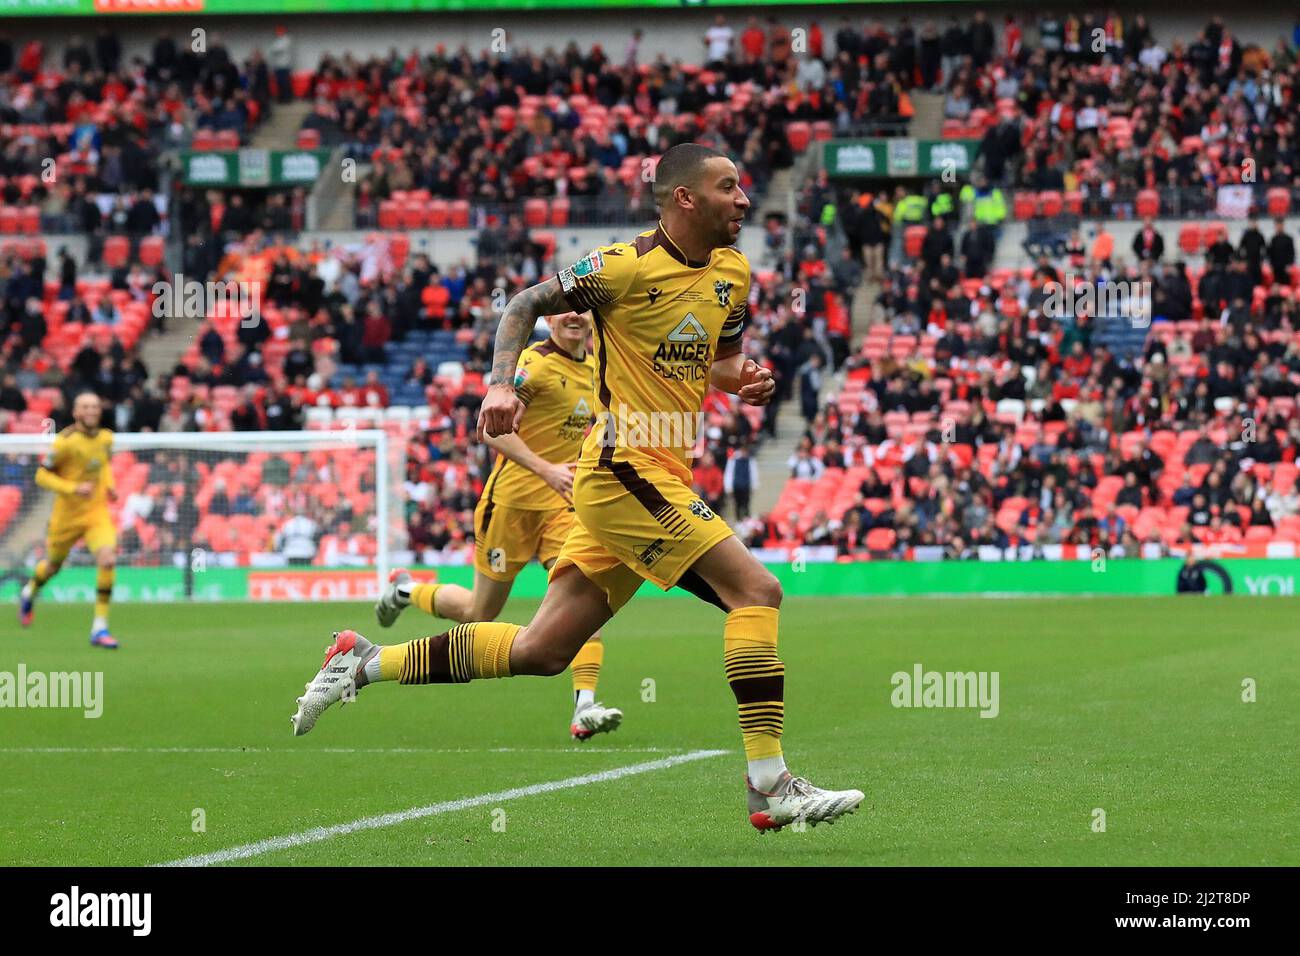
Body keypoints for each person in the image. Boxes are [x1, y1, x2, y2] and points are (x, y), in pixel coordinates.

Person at [291, 143, 864, 831]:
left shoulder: (734, 274)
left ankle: (361, 663)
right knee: (757, 591)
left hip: (655, 474)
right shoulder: (623, 269)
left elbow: (722, 358)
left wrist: (746, 380)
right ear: (684, 198)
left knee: (542, 651)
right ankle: (769, 785)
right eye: (729, 187)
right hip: (624, 470)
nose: (745, 200)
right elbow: (526, 304)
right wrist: (500, 383)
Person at [372, 311, 622, 741]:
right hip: (511, 505)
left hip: (564, 507)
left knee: (582, 598)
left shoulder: (595, 369)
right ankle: (406, 591)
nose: (574, 318)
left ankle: (585, 706)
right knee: (479, 612)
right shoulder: (534, 364)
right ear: (550, 317)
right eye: (565, 311)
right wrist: (547, 469)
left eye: (582, 310)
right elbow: (489, 429)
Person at [19, 392, 120, 648]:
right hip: (66, 517)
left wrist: (109, 486)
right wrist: (73, 488)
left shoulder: (107, 438)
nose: (91, 410)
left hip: (96, 513)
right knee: (53, 567)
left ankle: (99, 627)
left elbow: (104, 464)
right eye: (85, 406)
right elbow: (42, 476)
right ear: (75, 412)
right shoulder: (64, 442)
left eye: (95, 406)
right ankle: (30, 590)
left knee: (108, 560)